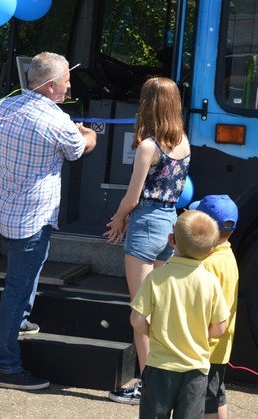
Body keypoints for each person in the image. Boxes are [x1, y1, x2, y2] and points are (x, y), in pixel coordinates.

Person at [0, 51, 96, 391]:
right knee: (16, 289)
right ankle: (4, 364)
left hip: (5, 208)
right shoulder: (56, 121)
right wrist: (89, 134)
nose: (69, 86)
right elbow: (78, 150)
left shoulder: (2, 107)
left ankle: (18, 324)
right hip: (33, 216)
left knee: (24, 276)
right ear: (50, 86)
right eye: (65, 81)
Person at [105, 77, 191, 405]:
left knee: (141, 311)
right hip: (170, 223)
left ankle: (148, 384)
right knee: (160, 308)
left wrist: (118, 218)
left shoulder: (148, 146)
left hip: (145, 224)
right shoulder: (183, 142)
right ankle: (161, 378)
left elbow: (133, 194)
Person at [130, 209, 230, 419]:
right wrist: (201, 336)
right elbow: (220, 326)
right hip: (195, 369)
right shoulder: (210, 282)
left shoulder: (156, 278)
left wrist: (152, 332)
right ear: (211, 250)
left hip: (160, 366)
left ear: (171, 240)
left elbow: (137, 319)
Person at [190, 195, 239, 419]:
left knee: (206, 401)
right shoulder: (228, 256)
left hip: (206, 346)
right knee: (217, 394)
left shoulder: (207, 264)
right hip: (222, 345)